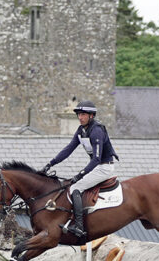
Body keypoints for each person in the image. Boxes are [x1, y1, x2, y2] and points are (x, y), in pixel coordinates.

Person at [40, 100, 118, 239]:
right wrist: (50, 163)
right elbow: (68, 149)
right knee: (71, 185)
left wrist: (80, 174)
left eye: (83, 114)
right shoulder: (81, 130)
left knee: (75, 188)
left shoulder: (97, 131)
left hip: (104, 167)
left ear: (91, 116)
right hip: (96, 166)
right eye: (79, 115)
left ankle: (79, 226)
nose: (80, 117)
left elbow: (97, 159)